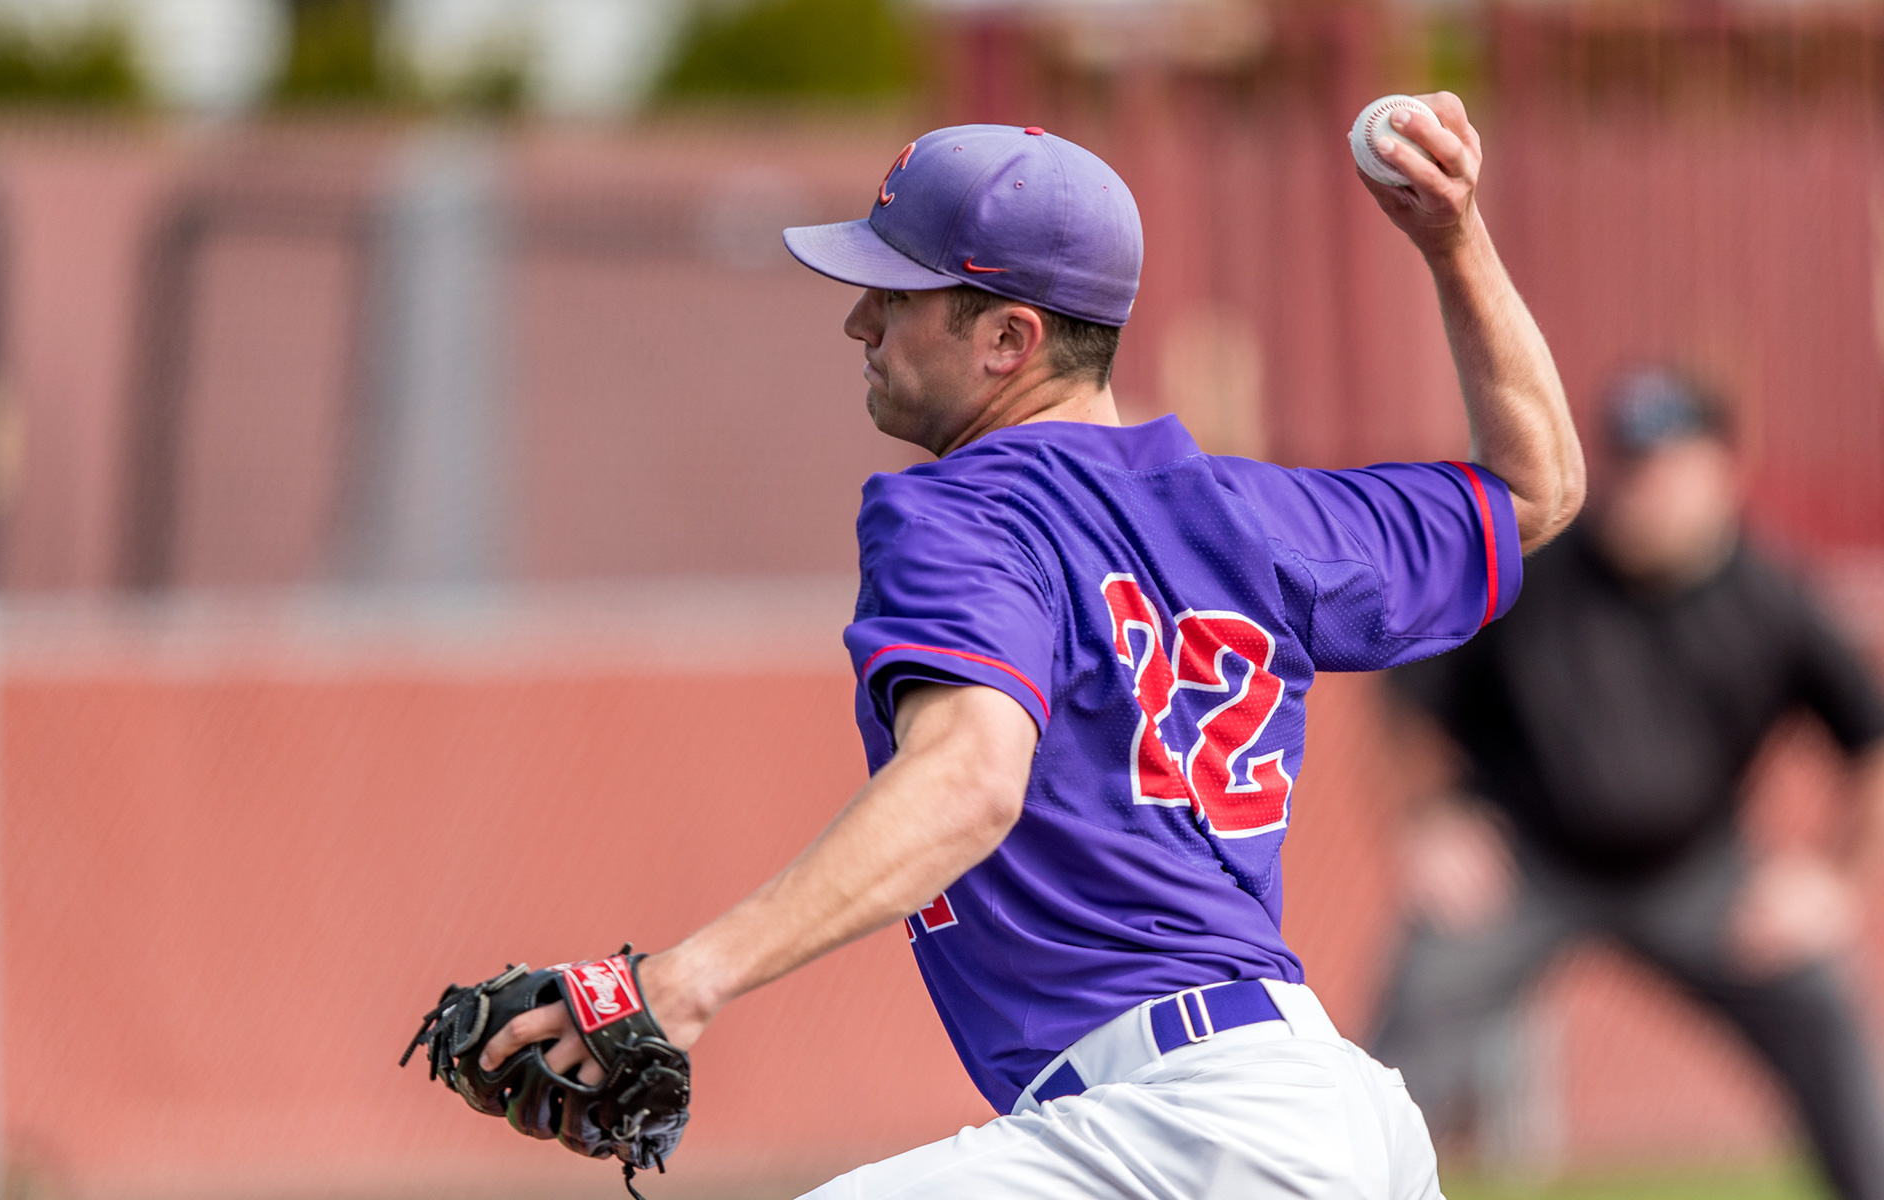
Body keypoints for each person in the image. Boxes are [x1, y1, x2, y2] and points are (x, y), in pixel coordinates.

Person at [481, 94, 1583, 1197]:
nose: (859, 323)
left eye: (897, 295)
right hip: (1316, 1109)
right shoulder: (1252, 515)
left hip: (1189, 1130)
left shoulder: (964, 515)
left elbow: (970, 780)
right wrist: (1455, 241)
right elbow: (1537, 489)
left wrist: (685, 980)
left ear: (1010, 339)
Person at [1372, 368, 1884, 1200]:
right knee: (1416, 1014)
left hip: (1697, 873)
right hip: (1529, 867)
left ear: (1722, 472)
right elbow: (1411, 697)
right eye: (1630, 466)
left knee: (1818, 1001)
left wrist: (1831, 881)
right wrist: (1431, 822)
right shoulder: (1531, 578)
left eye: (1667, 467)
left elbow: (1869, 740)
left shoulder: (1773, 598)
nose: (1643, 490)